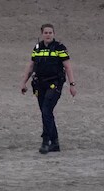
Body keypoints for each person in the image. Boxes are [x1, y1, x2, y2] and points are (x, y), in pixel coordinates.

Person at [18, 23, 77, 154]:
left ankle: (46, 141)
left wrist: (72, 85)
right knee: (46, 113)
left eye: (50, 32)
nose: (48, 35)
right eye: (46, 32)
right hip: (40, 84)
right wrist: (24, 82)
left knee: (46, 110)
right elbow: (31, 66)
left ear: (54, 34)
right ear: (42, 34)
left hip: (55, 83)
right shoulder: (37, 48)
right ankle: (55, 142)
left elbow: (67, 67)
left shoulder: (59, 48)